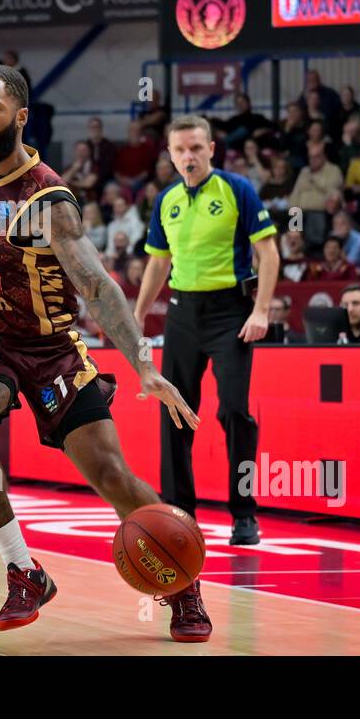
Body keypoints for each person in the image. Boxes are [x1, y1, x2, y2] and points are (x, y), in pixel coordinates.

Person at [0, 66, 204, 641]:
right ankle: (22, 568)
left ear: (21, 116)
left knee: (109, 473)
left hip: (47, 345)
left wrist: (144, 365)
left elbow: (97, 286)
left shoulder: (47, 199)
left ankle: (182, 584)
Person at [131, 115, 279, 547]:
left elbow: (268, 255)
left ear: (212, 149)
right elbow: (158, 262)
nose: (188, 156)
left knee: (234, 411)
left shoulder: (237, 189)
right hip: (182, 314)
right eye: (180, 150)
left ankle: (244, 515)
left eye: (196, 148)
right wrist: (137, 315)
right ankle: (180, 514)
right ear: (171, 155)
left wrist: (261, 311)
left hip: (231, 313)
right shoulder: (166, 200)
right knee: (175, 411)